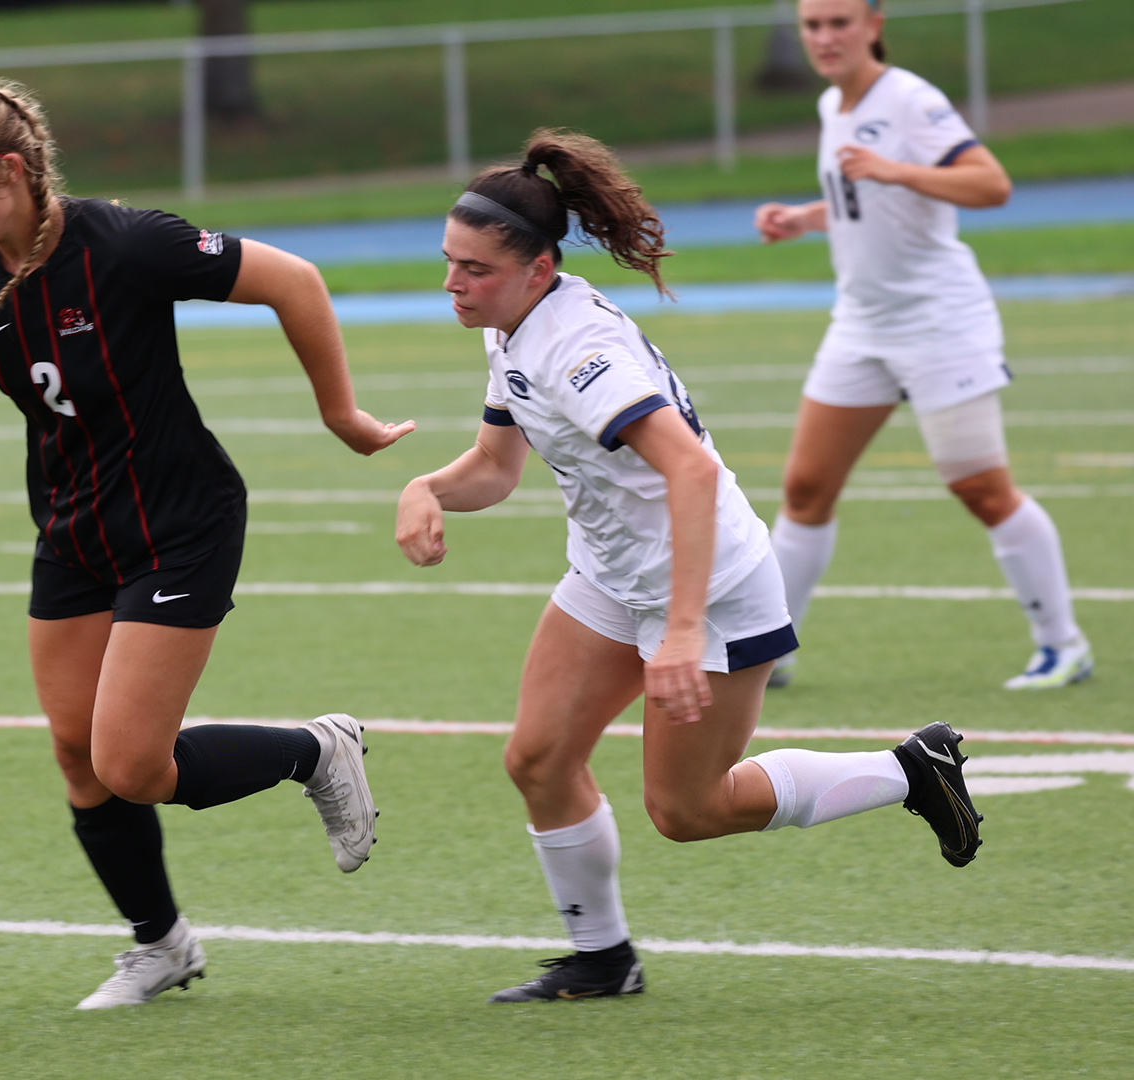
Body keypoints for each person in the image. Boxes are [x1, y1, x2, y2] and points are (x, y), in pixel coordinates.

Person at [395, 129, 984, 1004]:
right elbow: (495, 465)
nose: (453, 283)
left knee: (688, 811)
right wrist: (429, 486)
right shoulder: (512, 327)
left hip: (707, 586)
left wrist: (676, 631)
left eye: (473, 269)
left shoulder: (580, 352)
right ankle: (602, 958)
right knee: (539, 760)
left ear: (540, 268)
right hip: (612, 573)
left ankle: (914, 770)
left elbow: (694, 472)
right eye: (449, 263)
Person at [0, 76, 413, 1010]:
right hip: (74, 528)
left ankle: (315, 752)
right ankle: (160, 945)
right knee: (78, 755)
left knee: (132, 766)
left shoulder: (123, 243)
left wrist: (342, 416)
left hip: (179, 521)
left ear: (6, 174)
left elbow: (295, 281)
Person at [753, 0, 1090, 690]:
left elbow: (991, 184)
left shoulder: (909, 98)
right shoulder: (830, 106)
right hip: (862, 324)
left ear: (873, 23)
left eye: (839, 22)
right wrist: (803, 219)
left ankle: (1064, 644)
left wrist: (896, 168)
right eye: (812, 24)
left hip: (940, 323)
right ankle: (771, 648)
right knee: (806, 488)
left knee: (981, 489)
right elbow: (863, 203)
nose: (824, 37)